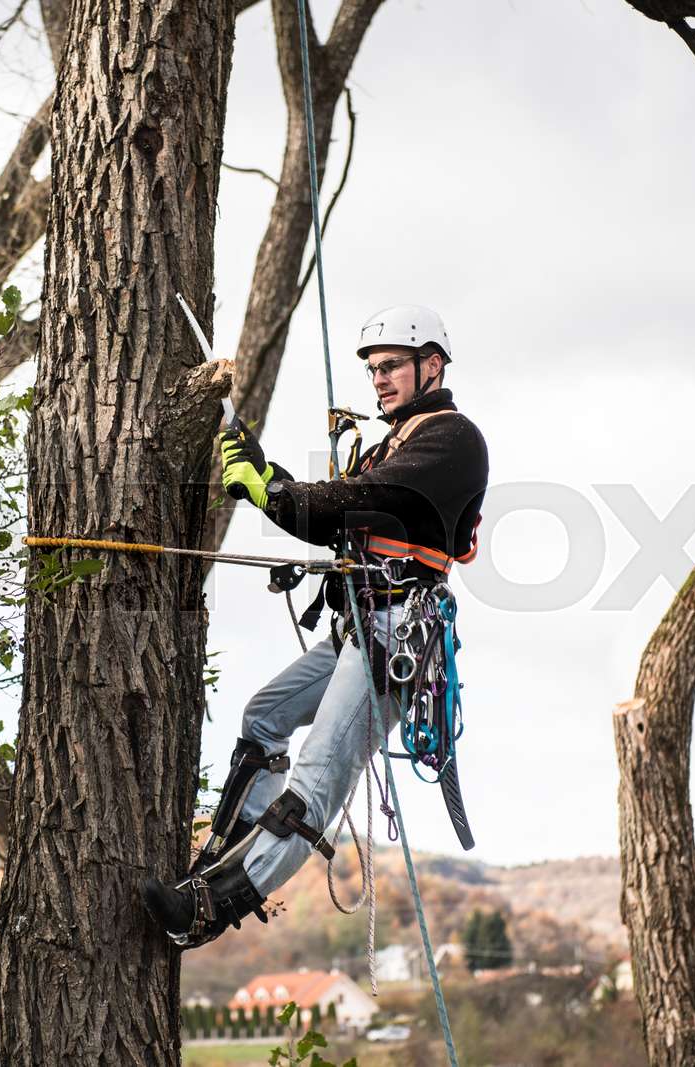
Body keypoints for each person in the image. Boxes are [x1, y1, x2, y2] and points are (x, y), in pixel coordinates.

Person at [138, 304, 489, 948]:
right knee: (263, 717)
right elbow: (332, 517)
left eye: (390, 367)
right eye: (373, 370)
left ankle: (209, 908)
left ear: (431, 365)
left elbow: (363, 502)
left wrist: (269, 485)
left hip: (393, 638)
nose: (378, 380)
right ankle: (231, 850)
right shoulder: (395, 439)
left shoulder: (451, 440)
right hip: (359, 624)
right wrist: (269, 483)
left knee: (317, 780)